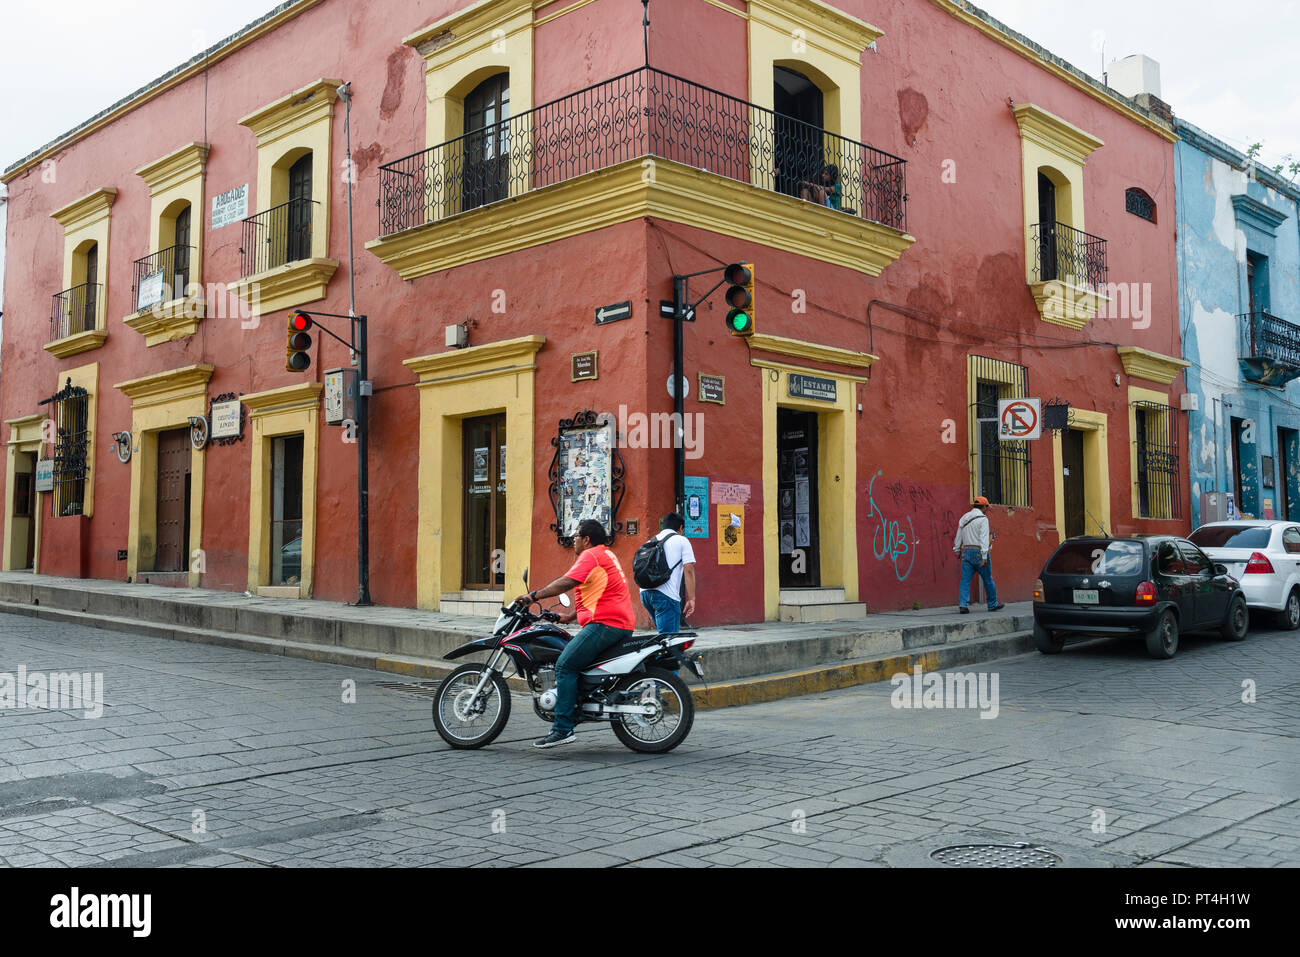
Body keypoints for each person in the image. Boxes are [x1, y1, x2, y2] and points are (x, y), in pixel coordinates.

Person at [513, 518, 636, 750]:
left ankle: (562, 728)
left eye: (577, 536)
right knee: (574, 662)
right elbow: (597, 593)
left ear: (586, 539)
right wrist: (565, 618)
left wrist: (533, 596)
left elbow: (566, 582)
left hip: (605, 624)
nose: (573, 540)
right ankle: (575, 708)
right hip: (618, 623)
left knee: (564, 665)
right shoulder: (605, 554)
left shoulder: (590, 555)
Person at [639, 513, 697, 634]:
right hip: (666, 595)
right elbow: (689, 570)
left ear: (663, 526)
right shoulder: (682, 541)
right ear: (681, 528)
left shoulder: (651, 541)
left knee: (663, 638)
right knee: (669, 641)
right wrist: (691, 599)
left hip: (645, 593)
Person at [953, 496, 1006, 614]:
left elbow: (958, 536)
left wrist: (957, 551)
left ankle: (963, 605)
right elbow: (983, 539)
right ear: (984, 507)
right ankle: (992, 604)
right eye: (987, 507)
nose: (987, 509)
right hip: (978, 552)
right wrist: (984, 556)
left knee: (965, 580)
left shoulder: (964, 518)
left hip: (966, 551)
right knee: (988, 579)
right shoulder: (983, 519)